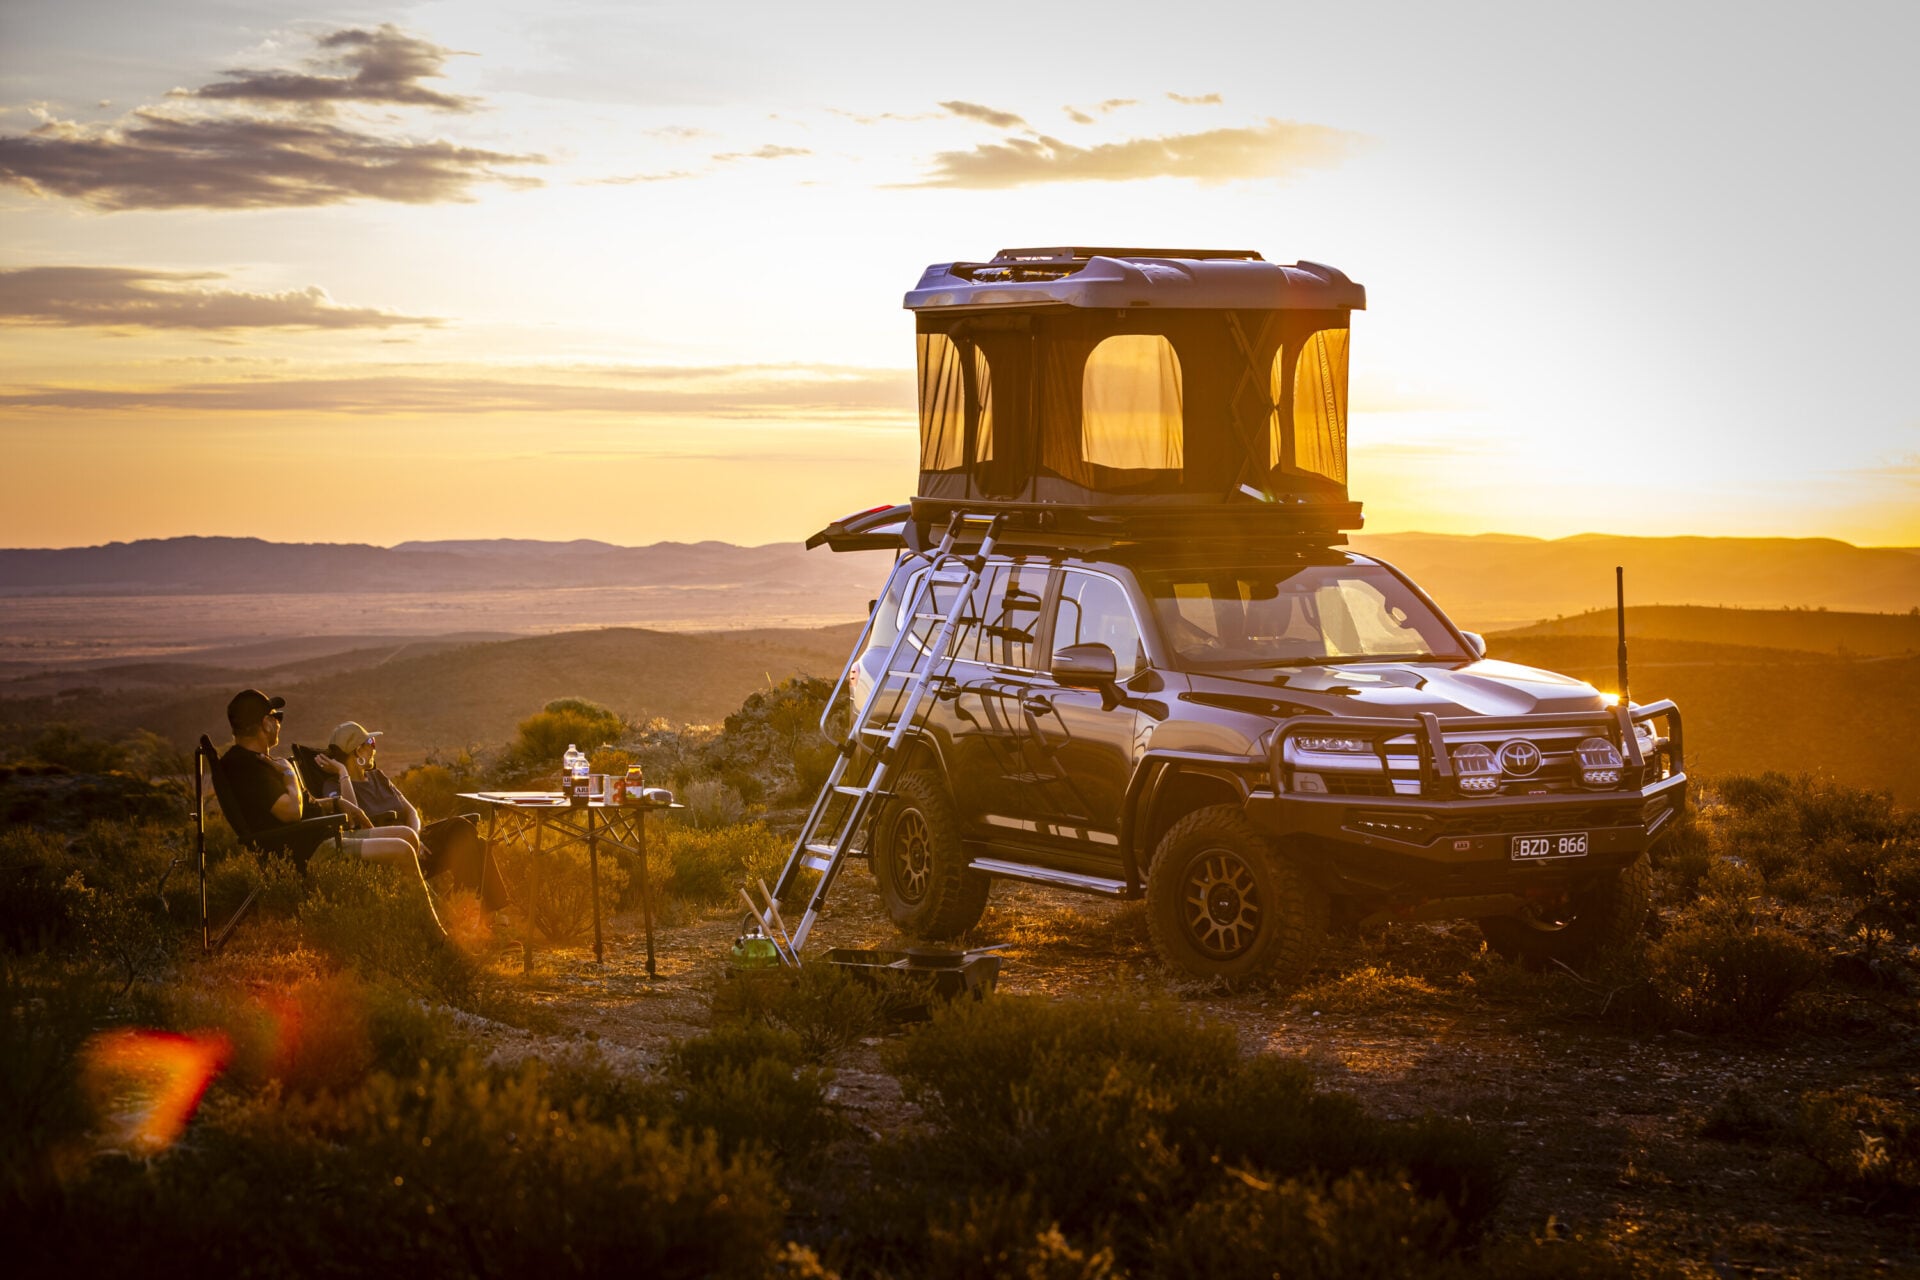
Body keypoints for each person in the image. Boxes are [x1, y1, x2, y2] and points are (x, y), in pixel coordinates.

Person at [220, 689, 442, 925]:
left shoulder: (254, 762)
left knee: (407, 834)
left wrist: (336, 802)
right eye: (277, 717)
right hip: (312, 850)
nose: (278, 723)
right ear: (266, 724)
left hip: (320, 837)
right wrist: (289, 773)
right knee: (403, 850)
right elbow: (292, 812)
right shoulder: (247, 767)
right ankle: (430, 929)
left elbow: (299, 807)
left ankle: (408, 913)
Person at [316, 722, 512, 918]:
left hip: (415, 842)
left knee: (461, 828)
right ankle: (476, 911)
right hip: (389, 853)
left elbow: (411, 812)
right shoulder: (333, 786)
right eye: (371, 742)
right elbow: (353, 819)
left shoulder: (378, 777)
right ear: (358, 751)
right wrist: (343, 773)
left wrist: (415, 838)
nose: (374, 748)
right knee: (477, 844)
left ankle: (460, 906)